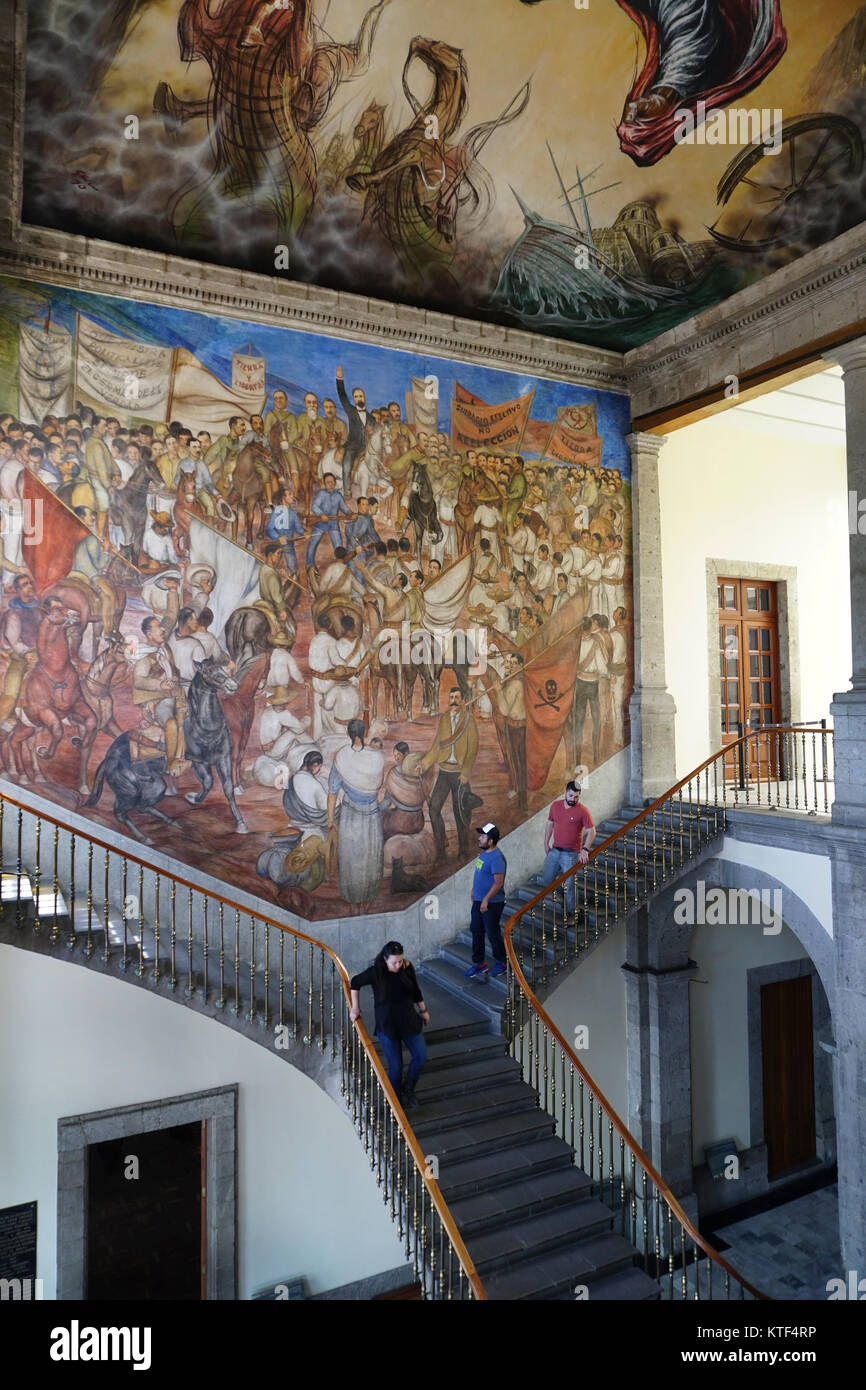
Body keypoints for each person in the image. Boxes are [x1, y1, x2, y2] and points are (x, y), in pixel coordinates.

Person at [349, 941, 430, 1110]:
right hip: (388, 1025)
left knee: (420, 1057)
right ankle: (395, 1101)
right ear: (385, 959)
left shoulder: (407, 967)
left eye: (400, 961)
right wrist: (355, 1007)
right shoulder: (376, 972)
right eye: (394, 962)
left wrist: (423, 1010)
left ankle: (409, 1089)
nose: (398, 965)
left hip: (408, 1020)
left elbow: (415, 990)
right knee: (396, 1068)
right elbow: (355, 982)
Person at [541, 780, 596, 916]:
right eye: (571, 796)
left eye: (576, 797)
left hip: (570, 854)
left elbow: (592, 831)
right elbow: (549, 824)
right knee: (547, 879)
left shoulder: (583, 811)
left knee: (570, 885)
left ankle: (573, 912)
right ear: (565, 793)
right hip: (555, 850)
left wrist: (585, 849)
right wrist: (545, 843)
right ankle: (564, 897)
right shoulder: (555, 806)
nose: (573, 799)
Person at [464, 824, 508, 980]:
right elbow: (480, 875)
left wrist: (486, 900)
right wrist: (473, 890)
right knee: (476, 930)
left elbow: (498, 883)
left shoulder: (497, 858)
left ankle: (502, 962)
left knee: (492, 933)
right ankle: (479, 963)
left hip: (492, 903)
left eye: (482, 836)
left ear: (490, 841)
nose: (479, 838)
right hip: (479, 900)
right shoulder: (483, 854)